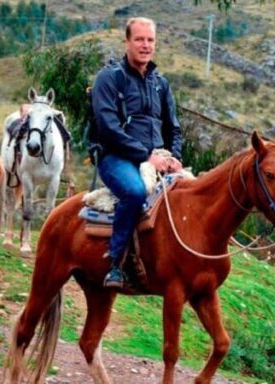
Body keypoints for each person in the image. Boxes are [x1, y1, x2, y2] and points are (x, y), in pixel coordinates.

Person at [90, 17, 182, 288]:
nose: (145, 45)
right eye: (139, 40)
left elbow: (173, 129)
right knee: (134, 192)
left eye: (150, 40)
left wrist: (174, 157)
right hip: (115, 158)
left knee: (191, 194)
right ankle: (116, 264)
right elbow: (108, 128)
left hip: (157, 158)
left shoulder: (160, 84)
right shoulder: (109, 78)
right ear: (127, 42)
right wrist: (145, 155)